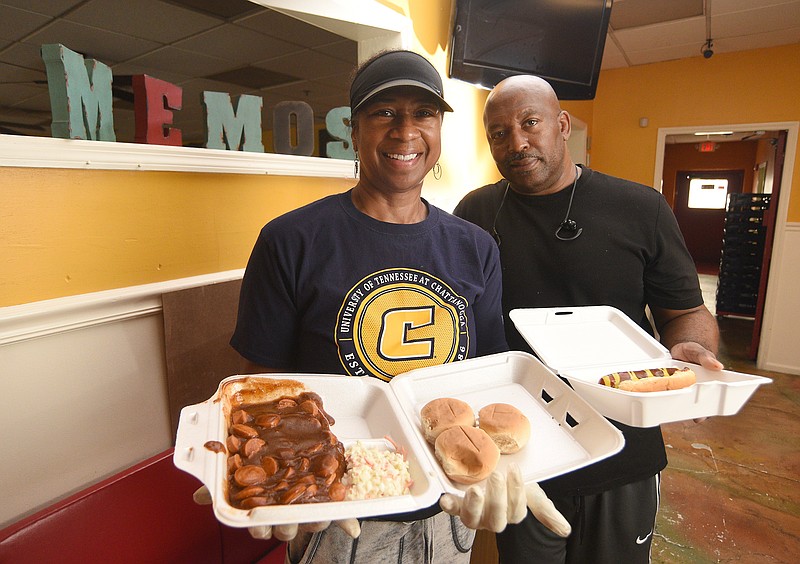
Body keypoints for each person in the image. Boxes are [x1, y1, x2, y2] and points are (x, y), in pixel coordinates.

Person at [223, 51, 568, 564]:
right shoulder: (290, 240)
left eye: (423, 113)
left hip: (447, 504)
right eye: (383, 112)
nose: (406, 131)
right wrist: (277, 476)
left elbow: (487, 374)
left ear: (439, 129)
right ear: (353, 130)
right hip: (339, 509)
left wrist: (504, 464)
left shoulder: (476, 246)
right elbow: (263, 384)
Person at [453, 74, 724, 563]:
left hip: (623, 449)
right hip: (524, 452)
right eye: (499, 133)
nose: (516, 142)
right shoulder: (474, 212)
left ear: (562, 125)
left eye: (530, 123)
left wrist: (692, 352)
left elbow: (685, 311)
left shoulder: (640, 207)